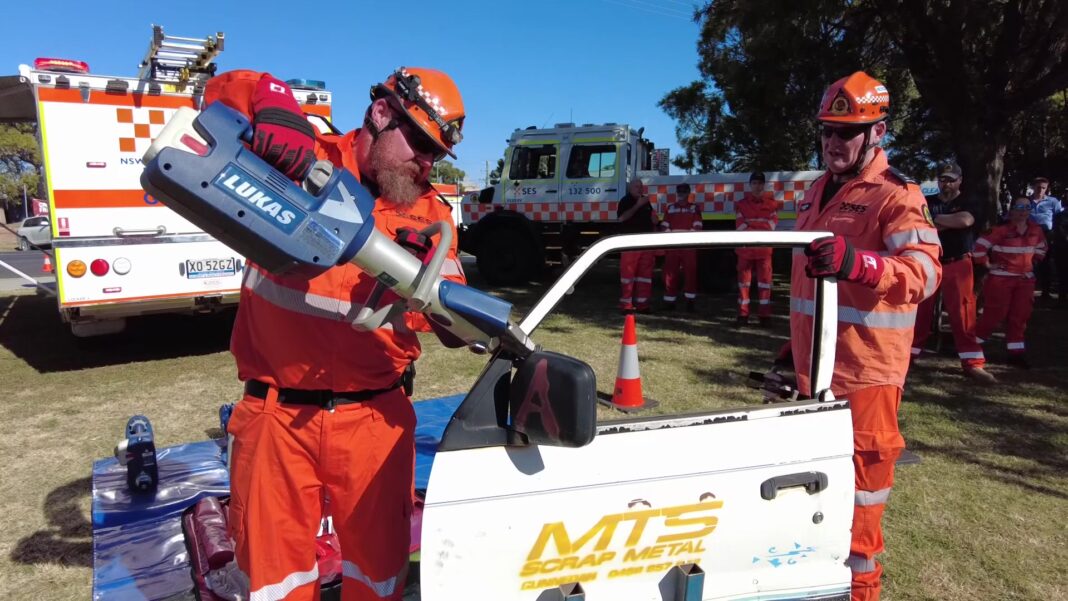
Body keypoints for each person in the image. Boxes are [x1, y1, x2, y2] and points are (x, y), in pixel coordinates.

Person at [205, 66, 468, 601]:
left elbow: (456, 321)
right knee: (276, 585)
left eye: (436, 154)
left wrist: (441, 297)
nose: (425, 162)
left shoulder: (430, 214)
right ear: (380, 113)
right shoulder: (302, 160)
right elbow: (220, 98)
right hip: (276, 419)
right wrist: (271, 100)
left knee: (379, 579)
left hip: (375, 422)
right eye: (419, 143)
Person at [788, 72, 941, 601]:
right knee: (810, 495)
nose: (833, 141)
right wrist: (790, 354)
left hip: (867, 378)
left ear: (877, 134)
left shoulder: (897, 195)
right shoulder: (815, 190)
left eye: (846, 132)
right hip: (815, 369)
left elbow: (923, 274)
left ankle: (861, 593)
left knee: (860, 507)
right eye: (828, 130)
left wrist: (861, 263)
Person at [910, 162, 995, 383]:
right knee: (919, 312)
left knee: (963, 314)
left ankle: (972, 363)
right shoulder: (928, 201)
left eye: (950, 179)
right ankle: (909, 357)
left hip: (959, 263)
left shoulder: (968, 202)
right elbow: (918, 224)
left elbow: (965, 220)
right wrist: (948, 222)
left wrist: (936, 220)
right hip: (929, 262)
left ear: (959, 180)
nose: (945, 183)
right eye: (942, 179)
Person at [973, 198, 1047, 368]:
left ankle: (1015, 354)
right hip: (1001, 279)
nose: (1023, 211)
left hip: (1025, 281)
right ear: (1011, 210)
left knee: (1019, 317)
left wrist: (1032, 261)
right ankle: (972, 345)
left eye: (1027, 207)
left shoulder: (1036, 230)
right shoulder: (999, 230)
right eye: (1019, 207)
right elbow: (979, 248)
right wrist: (988, 264)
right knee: (994, 314)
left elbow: (1042, 248)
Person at [734, 171, 779, 325]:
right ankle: (743, 315)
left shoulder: (772, 204)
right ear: (750, 185)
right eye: (754, 183)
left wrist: (751, 224)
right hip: (745, 250)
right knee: (743, 284)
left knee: (765, 283)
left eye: (760, 183)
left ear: (764, 185)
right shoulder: (741, 204)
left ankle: (765, 317)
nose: (757, 186)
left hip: (764, 251)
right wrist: (760, 226)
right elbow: (740, 226)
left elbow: (771, 226)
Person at [616, 177, 657, 313]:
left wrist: (654, 220)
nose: (640, 189)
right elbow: (622, 218)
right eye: (636, 186)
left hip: (646, 242)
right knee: (628, 275)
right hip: (630, 242)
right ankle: (626, 305)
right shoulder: (625, 201)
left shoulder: (646, 201)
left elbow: (652, 219)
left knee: (645, 276)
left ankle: (643, 305)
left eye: (641, 186)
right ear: (630, 188)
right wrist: (638, 205)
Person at [659, 182, 702, 311]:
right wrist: (669, 238)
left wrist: (688, 239)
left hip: (688, 245)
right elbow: (665, 225)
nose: (681, 194)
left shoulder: (694, 208)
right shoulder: (670, 208)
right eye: (679, 192)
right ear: (677, 193)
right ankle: (670, 302)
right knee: (670, 272)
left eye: (684, 192)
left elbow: (698, 226)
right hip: (673, 245)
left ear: (689, 193)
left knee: (690, 273)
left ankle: (690, 302)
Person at [1027, 176, 1062, 299]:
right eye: (1038, 187)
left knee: (1045, 262)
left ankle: (1045, 292)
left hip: (1046, 234)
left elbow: (1059, 217)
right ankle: (1027, 289)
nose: (1041, 190)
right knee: (1028, 262)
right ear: (1033, 187)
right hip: (1028, 235)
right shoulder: (1026, 201)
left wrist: (1055, 232)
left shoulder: (1053, 201)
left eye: (1043, 188)